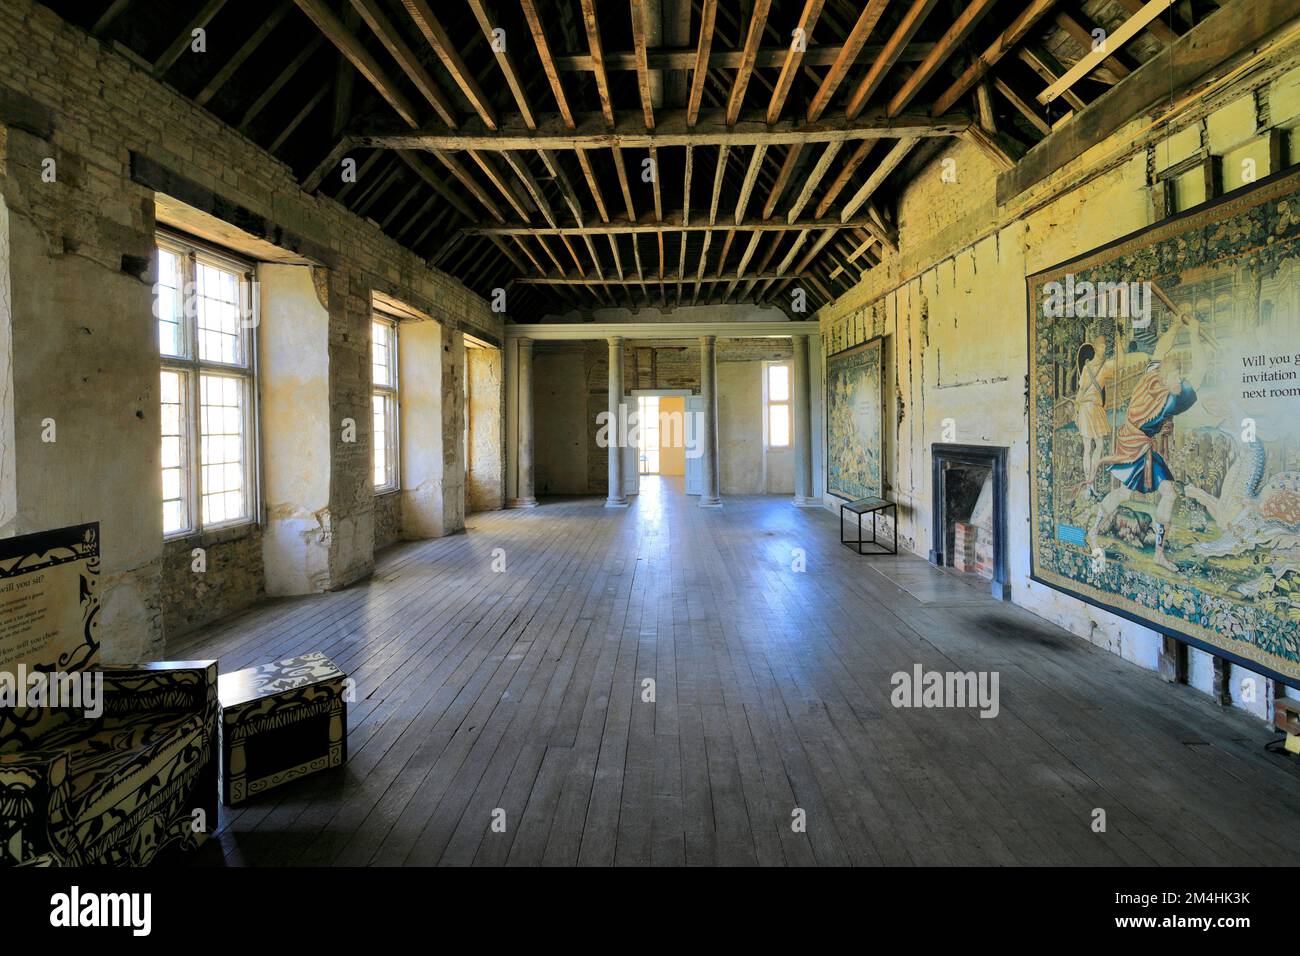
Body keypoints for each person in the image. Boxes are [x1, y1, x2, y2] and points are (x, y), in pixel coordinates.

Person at [1088, 313, 1208, 571]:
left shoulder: (1152, 375)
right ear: (1170, 375)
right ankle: (1154, 553)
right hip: (1138, 447)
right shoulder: (1171, 399)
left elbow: (1161, 347)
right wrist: (1194, 334)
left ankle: (1100, 532)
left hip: (1132, 442)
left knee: (1147, 492)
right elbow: (1201, 371)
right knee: (1154, 493)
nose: (1180, 379)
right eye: (1178, 374)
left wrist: (1176, 326)